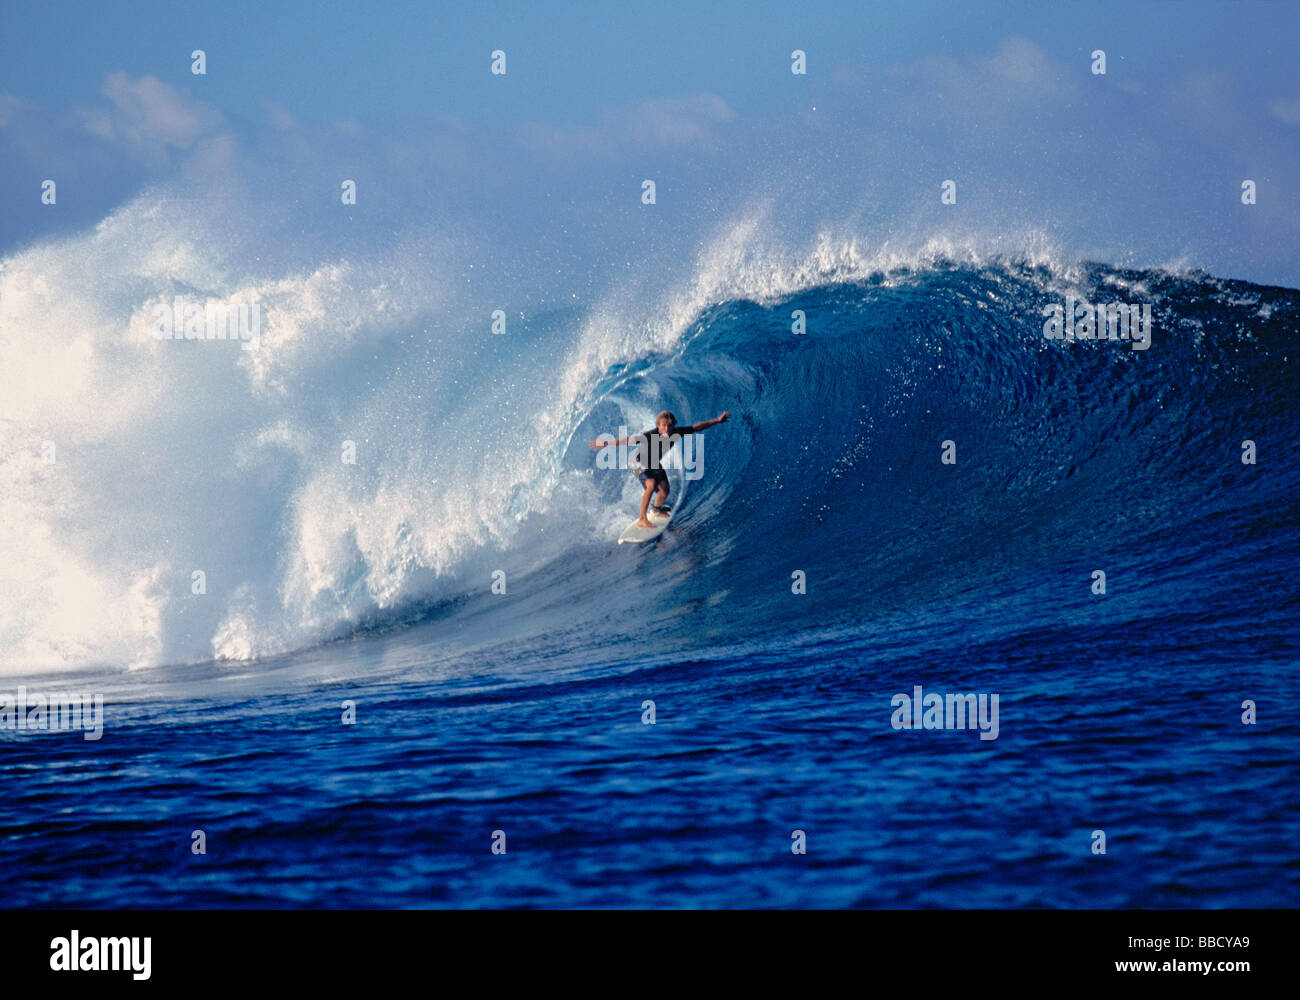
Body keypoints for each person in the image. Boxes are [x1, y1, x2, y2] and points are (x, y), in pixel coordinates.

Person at [590, 410, 731, 528]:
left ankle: (656, 509)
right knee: (651, 484)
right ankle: (642, 519)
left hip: (654, 463)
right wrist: (605, 443)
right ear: (658, 426)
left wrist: (717, 420)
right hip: (638, 462)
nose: (667, 429)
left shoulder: (676, 433)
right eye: (664, 425)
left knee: (665, 490)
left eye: (669, 425)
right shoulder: (650, 435)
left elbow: (696, 427)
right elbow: (628, 440)